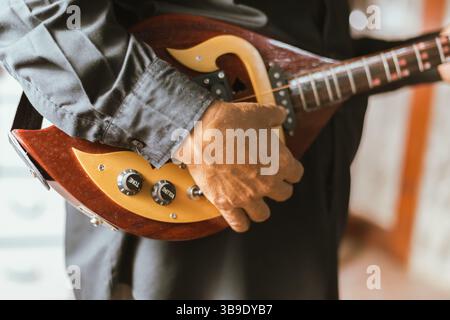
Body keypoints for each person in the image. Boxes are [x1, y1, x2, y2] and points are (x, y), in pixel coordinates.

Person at [1, 0, 449, 299]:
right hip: (180, 201)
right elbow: (35, 11)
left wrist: (427, 57)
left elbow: (307, 55)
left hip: (298, 204)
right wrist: (191, 125)